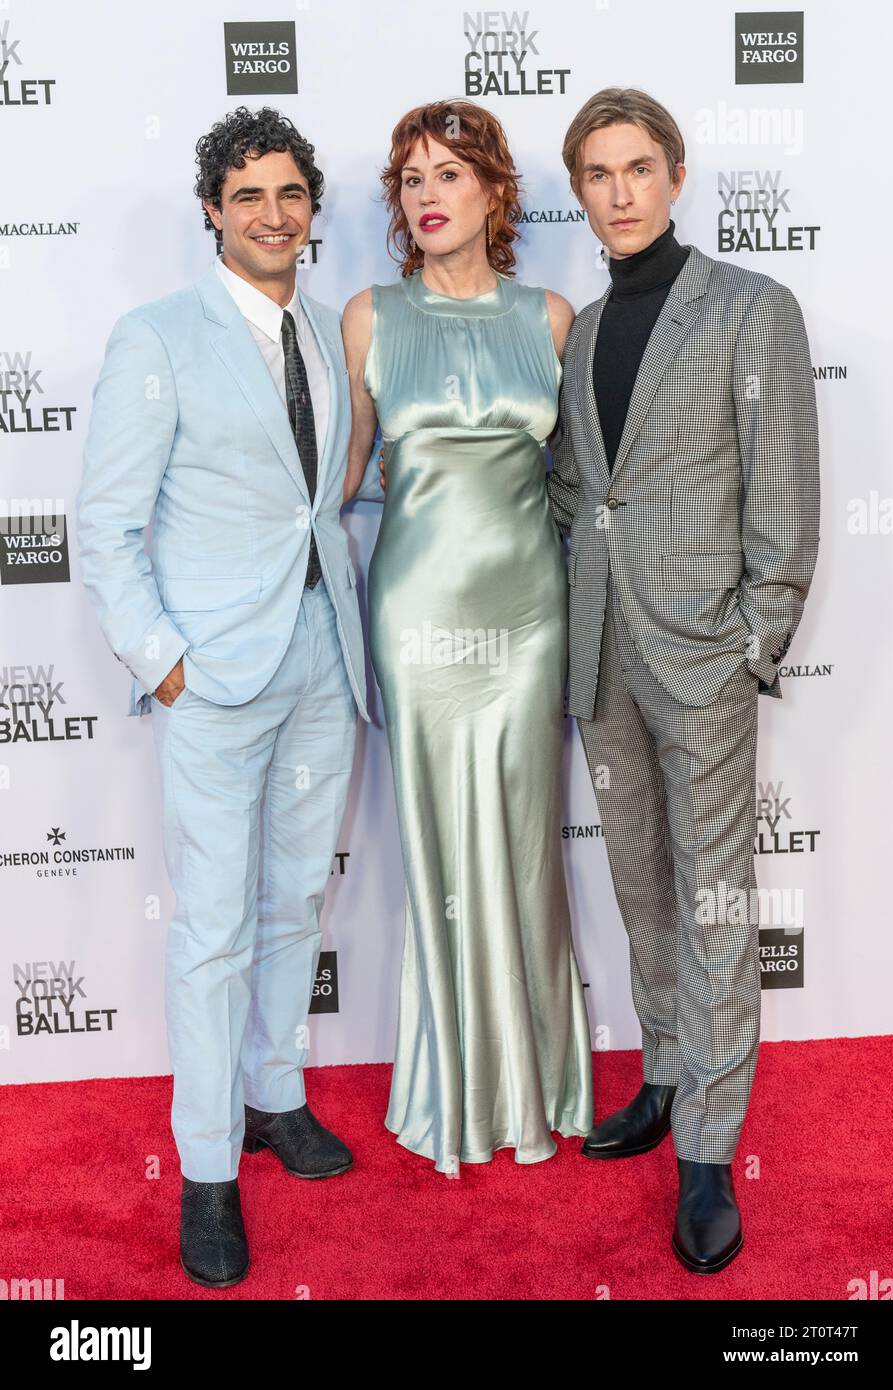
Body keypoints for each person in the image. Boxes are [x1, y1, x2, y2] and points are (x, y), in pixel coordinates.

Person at [77, 107, 368, 1287]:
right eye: (245, 194)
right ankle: (204, 1167)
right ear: (211, 210)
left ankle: (274, 1094)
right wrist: (164, 660)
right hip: (214, 674)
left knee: (297, 895)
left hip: (319, 654)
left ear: (311, 208)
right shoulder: (156, 336)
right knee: (211, 924)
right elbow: (102, 523)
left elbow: (319, 498)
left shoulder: (317, 328)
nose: (270, 213)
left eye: (289, 192)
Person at [547, 88, 820, 1273]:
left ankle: (707, 1151)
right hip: (601, 646)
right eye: (596, 174)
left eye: (635, 168)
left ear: (673, 175)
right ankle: (663, 1072)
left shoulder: (749, 310)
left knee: (714, 896)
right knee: (641, 878)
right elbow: (575, 486)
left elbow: (785, 498)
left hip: (701, 654)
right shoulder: (581, 326)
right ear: (581, 192)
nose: (616, 192)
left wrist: (750, 642)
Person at [343, 100, 594, 1175]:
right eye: (411, 179)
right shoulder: (367, 316)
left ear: (495, 192)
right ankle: (450, 1077)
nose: (429, 195)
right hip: (414, 613)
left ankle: (534, 1076)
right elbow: (339, 483)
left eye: (450, 174)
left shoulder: (549, 317)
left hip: (527, 614)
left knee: (527, 841)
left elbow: (586, 483)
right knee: (437, 842)